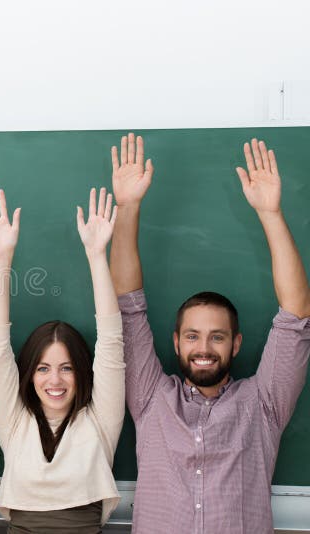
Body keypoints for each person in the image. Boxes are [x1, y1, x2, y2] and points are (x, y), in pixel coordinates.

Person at [109, 133, 310, 533]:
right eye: (193, 336)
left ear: (236, 344)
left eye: (217, 337)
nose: (204, 347)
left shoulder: (263, 404)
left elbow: (297, 315)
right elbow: (126, 304)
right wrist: (128, 207)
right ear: (176, 342)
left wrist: (271, 213)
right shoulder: (151, 398)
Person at [0, 187, 124, 533]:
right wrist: (1, 259)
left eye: (66, 368)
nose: (54, 380)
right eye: (43, 368)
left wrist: (96, 255)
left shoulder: (100, 421)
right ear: (29, 374)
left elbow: (111, 342)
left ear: (81, 373)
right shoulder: (15, 424)